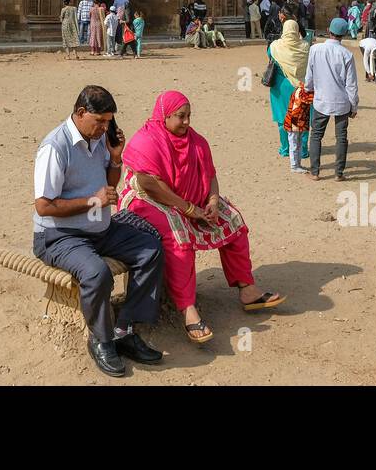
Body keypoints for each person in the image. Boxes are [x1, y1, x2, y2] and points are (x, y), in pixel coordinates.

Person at [120, 90, 284, 345]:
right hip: (148, 200)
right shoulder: (147, 140)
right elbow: (148, 183)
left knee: (233, 221)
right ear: (164, 116)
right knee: (179, 236)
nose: (186, 122)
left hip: (190, 200)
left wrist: (213, 201)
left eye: (189, 116)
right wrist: (187, 209)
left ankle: (247, 289)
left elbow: (210, 175)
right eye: (180, 117)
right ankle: (187, 308)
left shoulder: (196, 141)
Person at [32, 86, 165, 377]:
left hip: (100, 227)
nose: (105, 128)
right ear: (81, 113)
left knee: (150, 250)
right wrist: (93, 201)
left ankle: (124, 328)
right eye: (100, 122)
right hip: (59, 235)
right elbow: (44, 206)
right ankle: (101, 339)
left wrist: (115, 158)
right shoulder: (55, 147)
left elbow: (110, 184)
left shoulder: (98, 139)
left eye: (108, 122)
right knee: (96, 273)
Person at [304, 17, 359, 181]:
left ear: (329, 31)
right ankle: (338, 173)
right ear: (344, 34)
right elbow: (351, 85)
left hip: (321, 99)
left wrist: (308, 88)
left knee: (316, 135)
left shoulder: (315, 49)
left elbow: (309, 75)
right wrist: (354, 106)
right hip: (341, 101)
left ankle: (315, 172)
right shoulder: (347, 54)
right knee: (341, 137)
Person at [269, 18, 312, 173]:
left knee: (282, 119)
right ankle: (304, 151)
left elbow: (270, 58)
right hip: (301, 87)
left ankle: (285, 148)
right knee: (303, 120)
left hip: (280, 87)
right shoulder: (306, 46)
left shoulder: (274, 47)